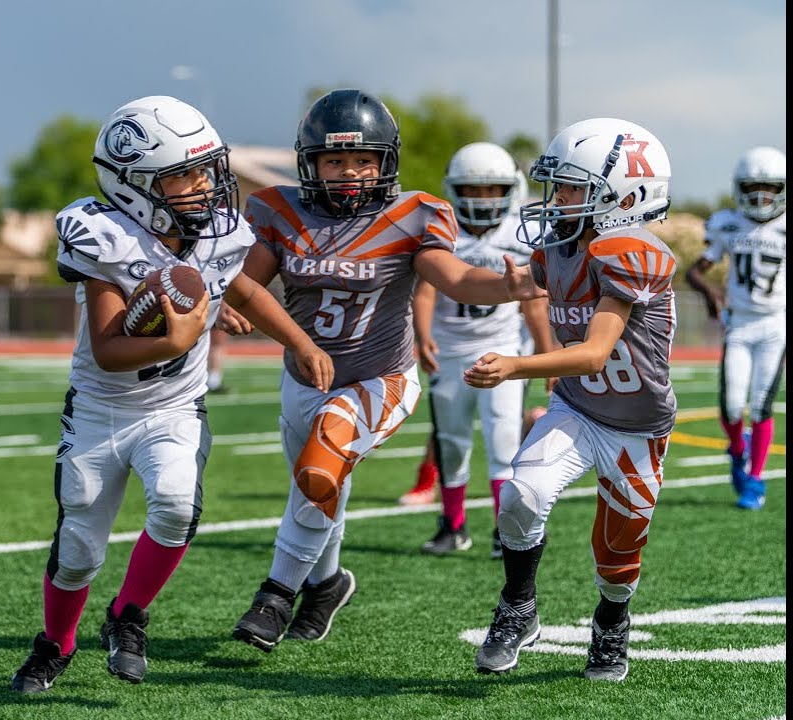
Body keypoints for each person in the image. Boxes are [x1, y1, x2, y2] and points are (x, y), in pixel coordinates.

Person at [9, 95, 333, 694]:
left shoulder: (214, 232)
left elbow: (245, 291)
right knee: (79, 544)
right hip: (103, 410)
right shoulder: (105, 234)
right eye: (182, 174)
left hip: (174, 408)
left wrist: (299, 341)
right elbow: (108, 348)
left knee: (178, 504)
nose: (202, 186)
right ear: (132, 184)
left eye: (205, 169)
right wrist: (182, 335)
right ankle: (55, 644)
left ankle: (128, 613)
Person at [225, 89, 545, 654]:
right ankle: (326, 585)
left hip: (381, 376)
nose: (350, 173)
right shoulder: (279, 209)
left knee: (323, 466)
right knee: (321, 486)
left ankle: (274, 597)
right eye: (335, 160)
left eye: (363, 160)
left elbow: (454, 277)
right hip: (306, 378)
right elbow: (245, 285)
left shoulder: (411, 215)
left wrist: (506, 287)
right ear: (311, 163)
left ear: (386, 162)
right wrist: (260, 321)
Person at [467, 117, 677, 683]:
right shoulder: (560, 247)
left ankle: (611, 622)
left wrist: (514, 365)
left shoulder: (632, 252)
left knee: (618, 558)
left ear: (624, 197)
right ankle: (518, 607)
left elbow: (592, 352)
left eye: (571, 188)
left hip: (636, 427)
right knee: (520, 496)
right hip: (580, 410)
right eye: (556, 186)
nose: (556, 200)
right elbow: (515, 287)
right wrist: (463, 280)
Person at [413, 142, 557, 558]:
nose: (482, 199)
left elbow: (535, 301)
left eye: (493, 189)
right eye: (473, 190)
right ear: (453, 190)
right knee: (452, 442)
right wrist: (422, 336)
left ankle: (504, 530)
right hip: (452, 350)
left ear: (510, 190)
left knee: (504, 442)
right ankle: (453, 525)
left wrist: (545, 358)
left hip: (503, 351)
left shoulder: (521, 232)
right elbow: (424, 290)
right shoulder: (441, 230)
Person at [685, 146, 786, 511]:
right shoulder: (728, 224)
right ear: (740, 188)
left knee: (761, 405)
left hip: (775, 324)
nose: (761, 196)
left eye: (769, 188)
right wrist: (709, 291)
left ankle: (755, 480)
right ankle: (737, 448)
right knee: (730, 406)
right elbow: (693, 271)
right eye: (753, 187)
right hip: (739, 325)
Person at [206, 325, 232, 393]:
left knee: (213, 346)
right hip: (213, 316)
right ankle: (214, 382)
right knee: (217, 346)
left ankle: (212, 380)